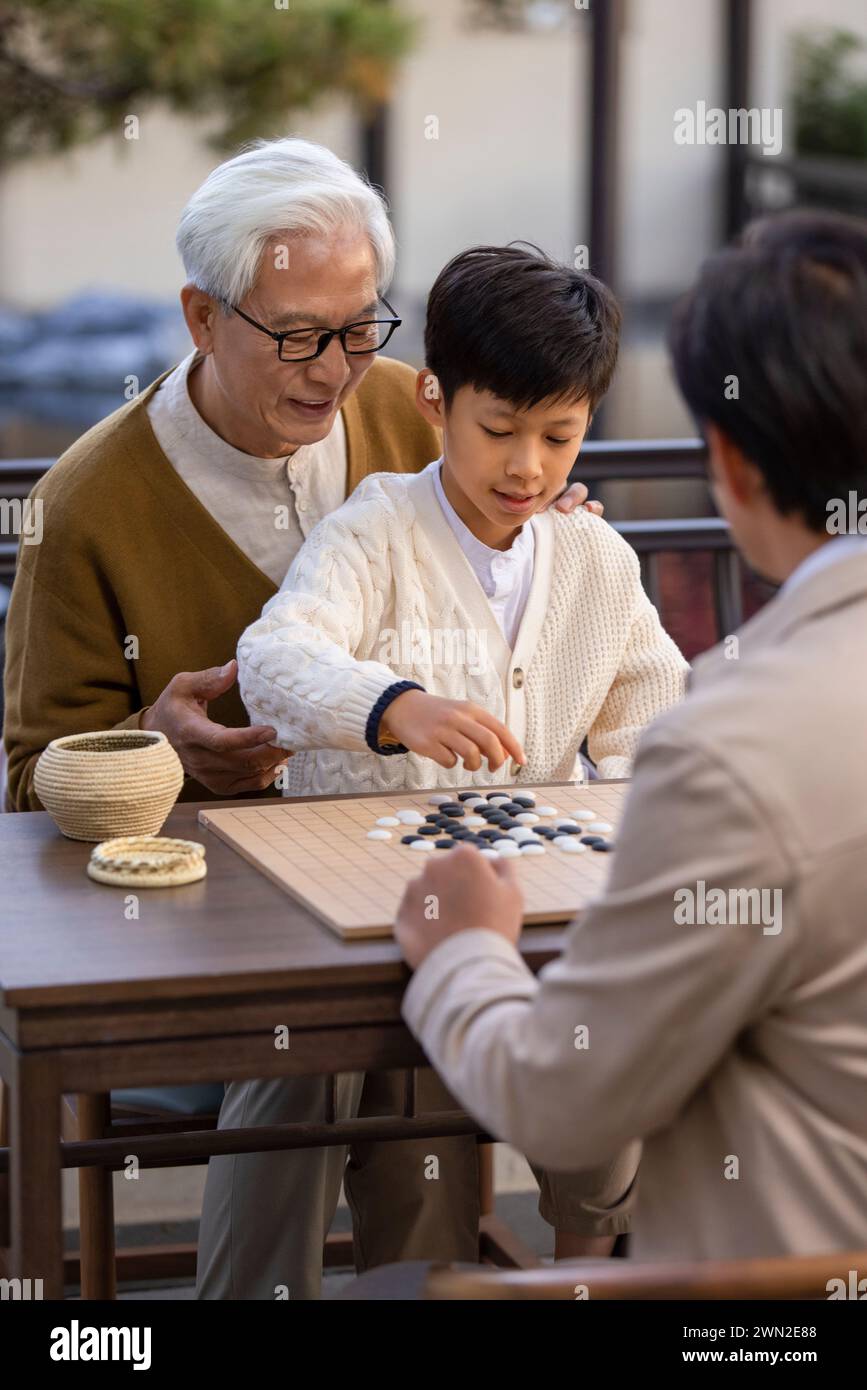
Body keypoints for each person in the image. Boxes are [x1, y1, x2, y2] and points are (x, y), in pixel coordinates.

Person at [1, 136, 601, 1301]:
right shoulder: (88, 500)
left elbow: (517, 521)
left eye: (361, 325)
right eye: (295, 334)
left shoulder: (410, 410)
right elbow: (27, 781)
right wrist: (150, 746)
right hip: (207, 919)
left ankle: (412, 1284)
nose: (335, 370)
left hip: (401, 860)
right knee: (355, 1034)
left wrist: (535, 533)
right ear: (199, 316)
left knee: (419, 990)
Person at [389, 209, 867, 1273]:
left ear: (728, 464)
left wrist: (465, 946)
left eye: (558, 436)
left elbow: (562, 1099)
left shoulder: (737, 746)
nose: (530, 464)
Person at [237, 243, 688, 1259]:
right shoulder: (378, 530)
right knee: (347, 1112)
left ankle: (584, 1267)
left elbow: (654, 726)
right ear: (435, 400)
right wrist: (395, 704)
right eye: (500, 430)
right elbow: (271, 657)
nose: (528, 466)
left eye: (561, 436)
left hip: (541, 912)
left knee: (619, 1027)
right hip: (364, 912)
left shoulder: (594, 557)